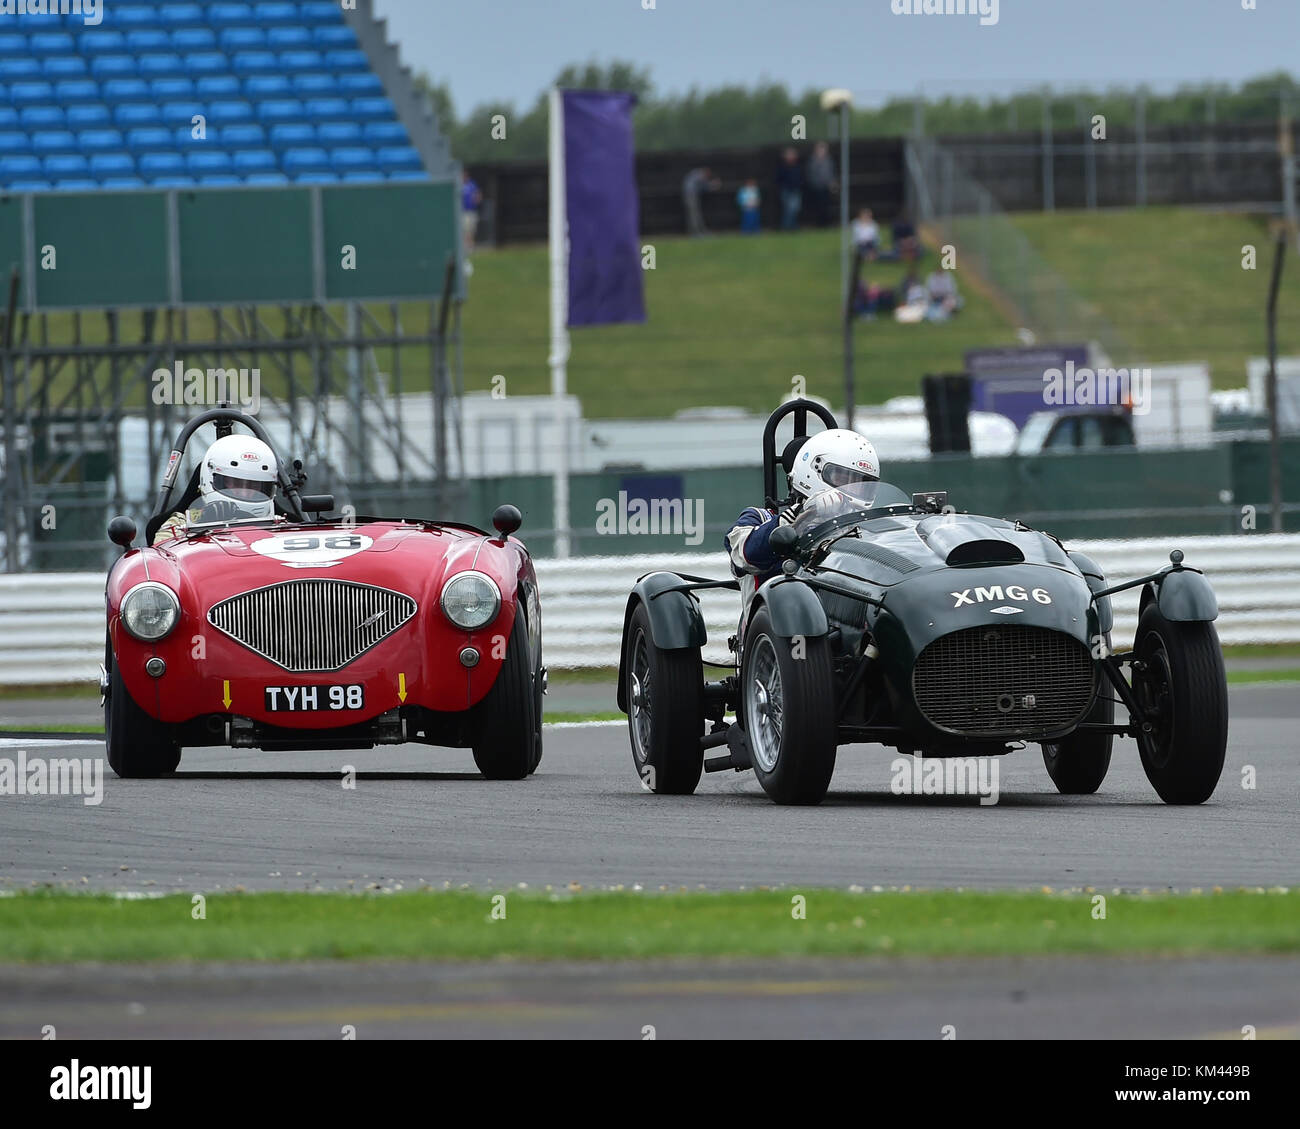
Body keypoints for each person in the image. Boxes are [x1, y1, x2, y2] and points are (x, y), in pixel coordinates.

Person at [724, 427, 880, 632]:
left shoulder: (864, 529)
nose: (852, 490)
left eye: (861, 485)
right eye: (843, 479)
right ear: (813, 471)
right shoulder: (759, 518)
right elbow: (747, 554)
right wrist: (803, 516)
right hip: (779, 631)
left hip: (846, 628)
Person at [154, 435, 279, 542]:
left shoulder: (282, 524)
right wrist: (200, 525)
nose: (245, 493)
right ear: (209, 479)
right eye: (235, 483)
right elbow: (162, 553)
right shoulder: (181, 524)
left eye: (255, 486)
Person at [682, 166, 719, 237]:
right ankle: (696, 233)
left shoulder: (695, 173)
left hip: (691, 196)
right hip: (690, 196)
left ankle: (700, 232)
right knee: (694, 215)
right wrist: (713, 185)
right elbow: (704, 186)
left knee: (695, 214)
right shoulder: (699, 174)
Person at [805, 141, 836, 227]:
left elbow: (831, 173)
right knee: (818, 206)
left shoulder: (829, 160)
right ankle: (819, 224)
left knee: (826, 206)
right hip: (817, 187)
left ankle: (826, 223)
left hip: (827, 188)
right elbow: (811, 175)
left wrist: (832, 183)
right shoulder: (812, 161)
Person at [775, 148, 803, 231]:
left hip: (796, 190)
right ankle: (787, 227)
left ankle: (792, 226)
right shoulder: (782, 167)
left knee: (795, 209)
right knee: (788, 209)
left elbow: (800, 178)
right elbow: (778, 179)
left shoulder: (797, 167)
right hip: (786, 191)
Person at [461, 170, 482, 255]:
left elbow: (478, 195)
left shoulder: (472, 185)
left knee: (471, 230)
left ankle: (470, 248)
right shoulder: (459, 185)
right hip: (463, 212)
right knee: (464, 230)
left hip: (471, 211)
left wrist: (476, 200)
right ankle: (465, 248)